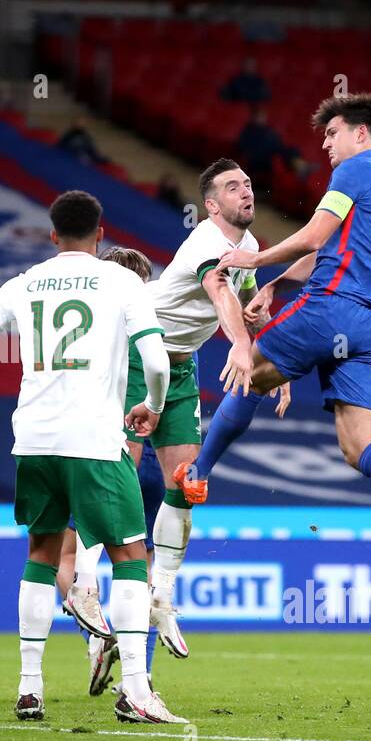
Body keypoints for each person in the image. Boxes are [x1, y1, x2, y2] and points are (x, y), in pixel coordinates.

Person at [0, 190, 187, 725]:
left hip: (33, 440)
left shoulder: (26, 282)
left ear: (52, 235)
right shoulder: (123, 280)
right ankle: (135, 690)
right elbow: (155, 359)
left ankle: (30, 688)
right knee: (130, 555)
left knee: (40, 552)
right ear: (101, 233)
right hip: (94, 442)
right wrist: (152, 406)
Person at [183, 94, 371, 586]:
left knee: (248, 372)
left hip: (332, 307)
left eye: (332, 133)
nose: (325, 144)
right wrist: (278, 285)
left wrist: (257, 264)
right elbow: (340, 246)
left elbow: (317, 236)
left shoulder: (355, 171)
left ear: (360, 133)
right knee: (360, 446)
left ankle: (198, 474)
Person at [88, 159, 291, 663]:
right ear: (212, 204)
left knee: (186, 482)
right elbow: (219, 294)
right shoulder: (206, 243)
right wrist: (241, 345)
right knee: (118, 477)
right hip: (138, 353)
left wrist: (266, 359)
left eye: (247, 183)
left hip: (181, 368)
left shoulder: (249, 250)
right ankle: (87, 593)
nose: (245, 191)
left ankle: (161, 595)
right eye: (232, 186)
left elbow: (242, 304)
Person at [53, 246, 167, 697]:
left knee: (67, 556)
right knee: (142, 566)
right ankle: (142, 674)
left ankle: (96, 636)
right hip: (153, 461)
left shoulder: (87, 337)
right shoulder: (158, 332)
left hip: (100, 454)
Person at [235, 106, 297, 191]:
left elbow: (279, 147)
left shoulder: (269, 133)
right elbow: (242, 147)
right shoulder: (248, 131)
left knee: (290, 152)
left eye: (263, 116)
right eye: (259, 116)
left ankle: (298, 163)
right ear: (254, 117)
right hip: (253, 163)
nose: (261, 119)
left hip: (266, 164)